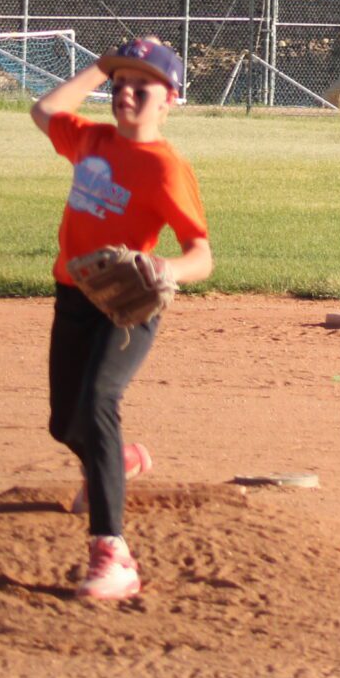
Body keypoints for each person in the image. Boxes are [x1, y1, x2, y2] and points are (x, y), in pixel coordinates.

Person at [31, 37, 214, 603]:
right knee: (66, 424)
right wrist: (101, 65)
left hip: (125, 308)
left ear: (170, 99)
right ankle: (118, 459)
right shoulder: (92, 139)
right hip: (73, 296)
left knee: (98, 403)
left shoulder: (164, 169)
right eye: (120, 84)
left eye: (143, 86)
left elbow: (202, 255)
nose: (126, 93)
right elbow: (45, 111)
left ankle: (113, 554)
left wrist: (164, 268)